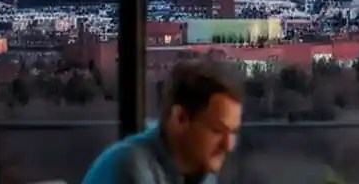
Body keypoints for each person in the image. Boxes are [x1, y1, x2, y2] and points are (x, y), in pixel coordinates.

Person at [83, 60, 244, 184]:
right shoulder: (131, 167)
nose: (229, 145)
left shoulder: (201, 171)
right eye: (217, 130)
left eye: (233, 132)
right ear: (180, 118)